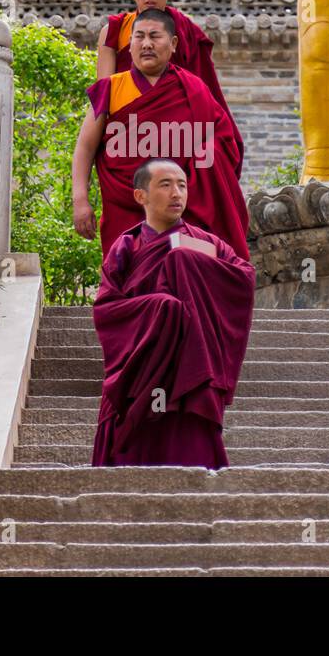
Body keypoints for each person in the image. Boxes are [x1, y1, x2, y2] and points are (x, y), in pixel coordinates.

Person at [91, 158, 256, 468]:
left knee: (190, 452)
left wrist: (188, 261)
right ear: (141, 196)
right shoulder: (126, 247)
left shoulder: (205, 243)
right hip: (141, 368)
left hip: (188, 370)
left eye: (182, 185)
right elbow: (106, 310)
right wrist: (159, 310)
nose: (176, 193)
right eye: (165, 185)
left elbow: (243, 278)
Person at [72, 6, 250, 260]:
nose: (146, 44)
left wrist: (204, 161)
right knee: (130, 278)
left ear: (173, 43)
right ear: (130, 45)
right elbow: (85, 147)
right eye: (139, 37)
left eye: (155, 37)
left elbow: (223, 140)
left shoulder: (194, 88)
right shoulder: (110, 89)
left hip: (184, 210)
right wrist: (80, 200)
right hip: (127, 206)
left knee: (199, 260)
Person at [98, 0, 243, 167]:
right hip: (130, 134)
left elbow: (202, 93)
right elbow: (105, 95)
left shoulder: (185, 30)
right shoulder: (114, 30)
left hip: (179, 135)